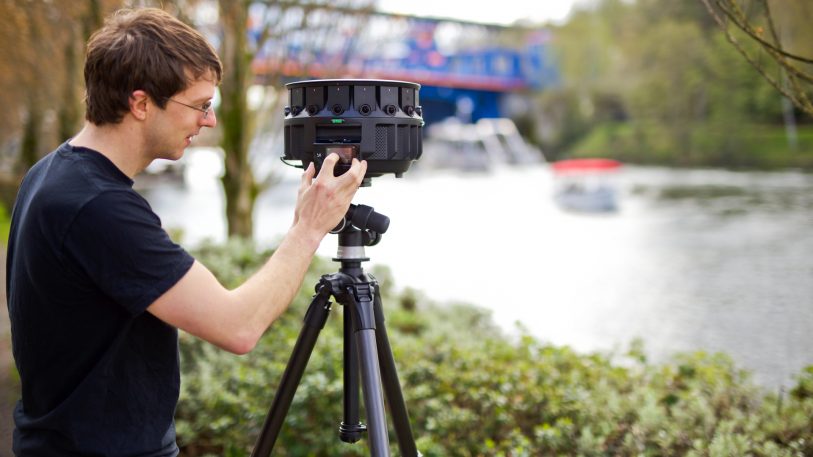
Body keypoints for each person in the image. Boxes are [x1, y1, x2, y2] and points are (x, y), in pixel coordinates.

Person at [5, 7, 366, 456]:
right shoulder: (99, 208)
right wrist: (310, 229)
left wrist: (301, 224)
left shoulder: (51, 174)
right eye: (199, 105)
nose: (210, 121)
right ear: (140, 103)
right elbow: (238, 327)